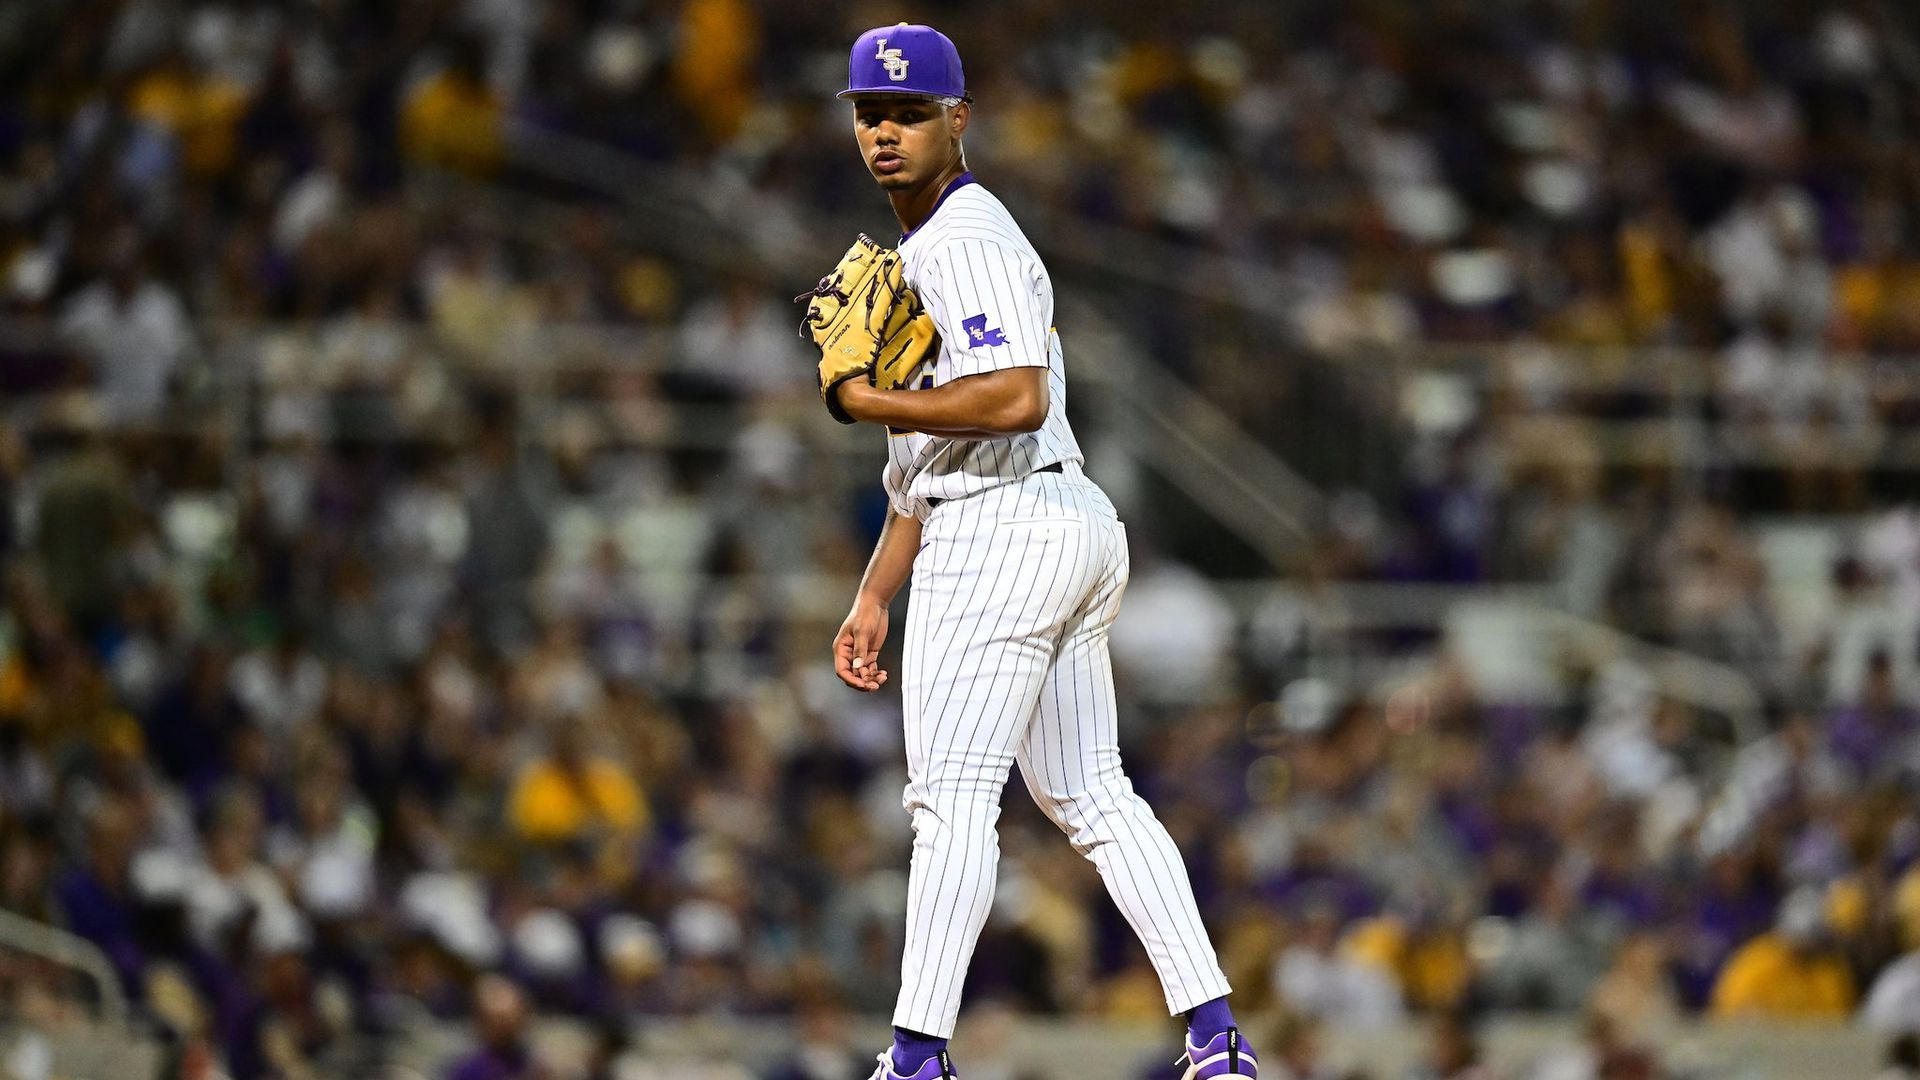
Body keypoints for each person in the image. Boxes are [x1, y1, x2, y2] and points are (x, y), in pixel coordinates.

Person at [819, 23, 1251, 1080]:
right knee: (1092, 793)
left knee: (953, 799)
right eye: (871, 111)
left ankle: (915, 1057)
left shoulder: (963, 237)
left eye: (910, 112)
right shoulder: (926, 250)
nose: (886, 130)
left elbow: (1017, 398)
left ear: (956, 120)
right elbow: (926, 463)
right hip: (1048, 524)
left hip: (1006, 528)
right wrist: (874, 595)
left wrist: (867, 393)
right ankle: (1213, 1036)